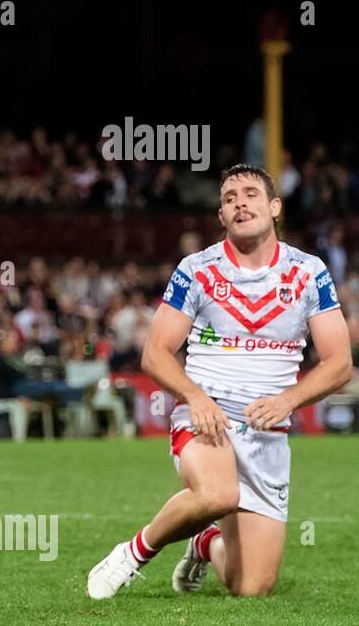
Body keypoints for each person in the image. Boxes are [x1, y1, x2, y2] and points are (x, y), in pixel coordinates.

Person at [87, 165, 351, 600]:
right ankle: (132, 554)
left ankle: (205, 543)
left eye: (250, 194)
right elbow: (155, 352)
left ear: (275, 206)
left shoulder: (308, 272)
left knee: (252, 587)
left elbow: (339, 363)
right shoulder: (197, 269)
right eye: (230, 198)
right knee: (218, 493)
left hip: (268, 429)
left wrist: (289, 400)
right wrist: (195, 397)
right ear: (221, 216)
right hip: (207, 414)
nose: (240, 203)